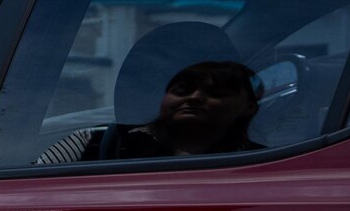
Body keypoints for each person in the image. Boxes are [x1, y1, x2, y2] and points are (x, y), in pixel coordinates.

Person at [38, 59, 267, 164]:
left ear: (249, 107)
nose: (194, 97)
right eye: (182, 90)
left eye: (216, 93)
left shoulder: (265, 165)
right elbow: (33, 193)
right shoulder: (92, 143)